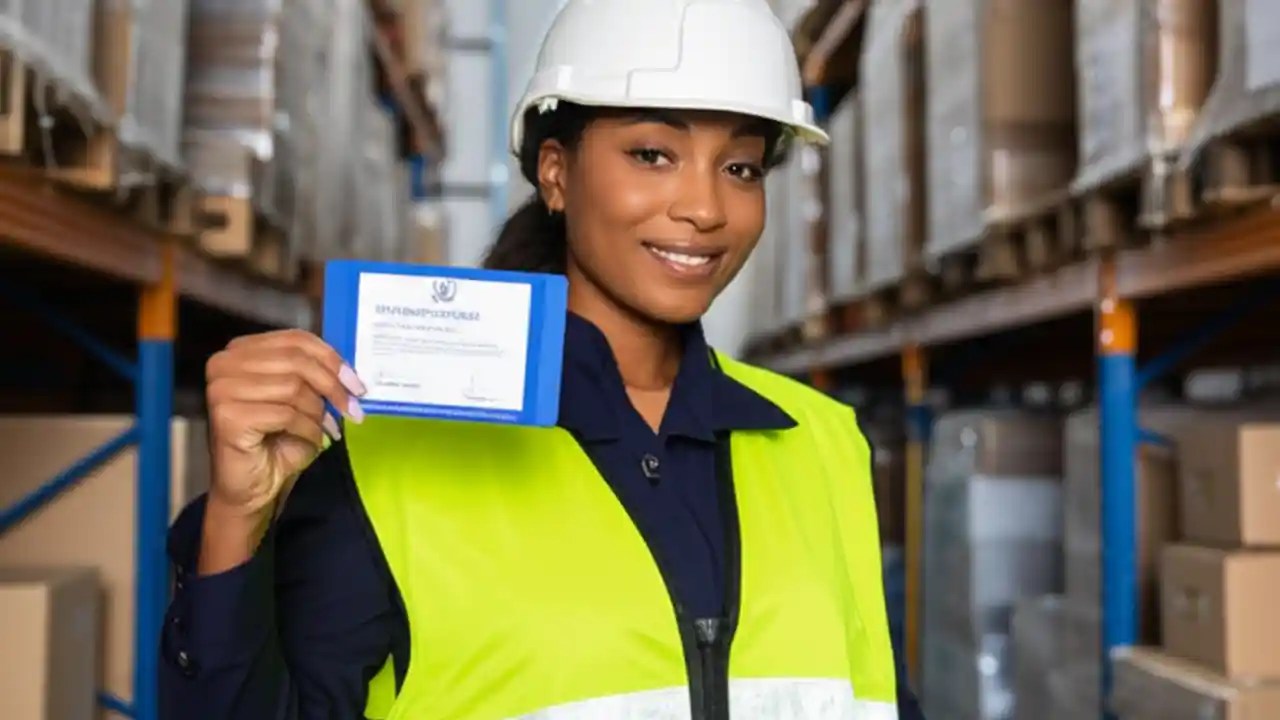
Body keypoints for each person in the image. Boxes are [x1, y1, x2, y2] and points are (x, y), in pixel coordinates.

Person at [160, 0, 925, 718]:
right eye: (654, 154)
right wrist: (238, 519)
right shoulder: (394, 456)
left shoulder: (822, 444)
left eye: (741, 168)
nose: (705, 209)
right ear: (556, 173)